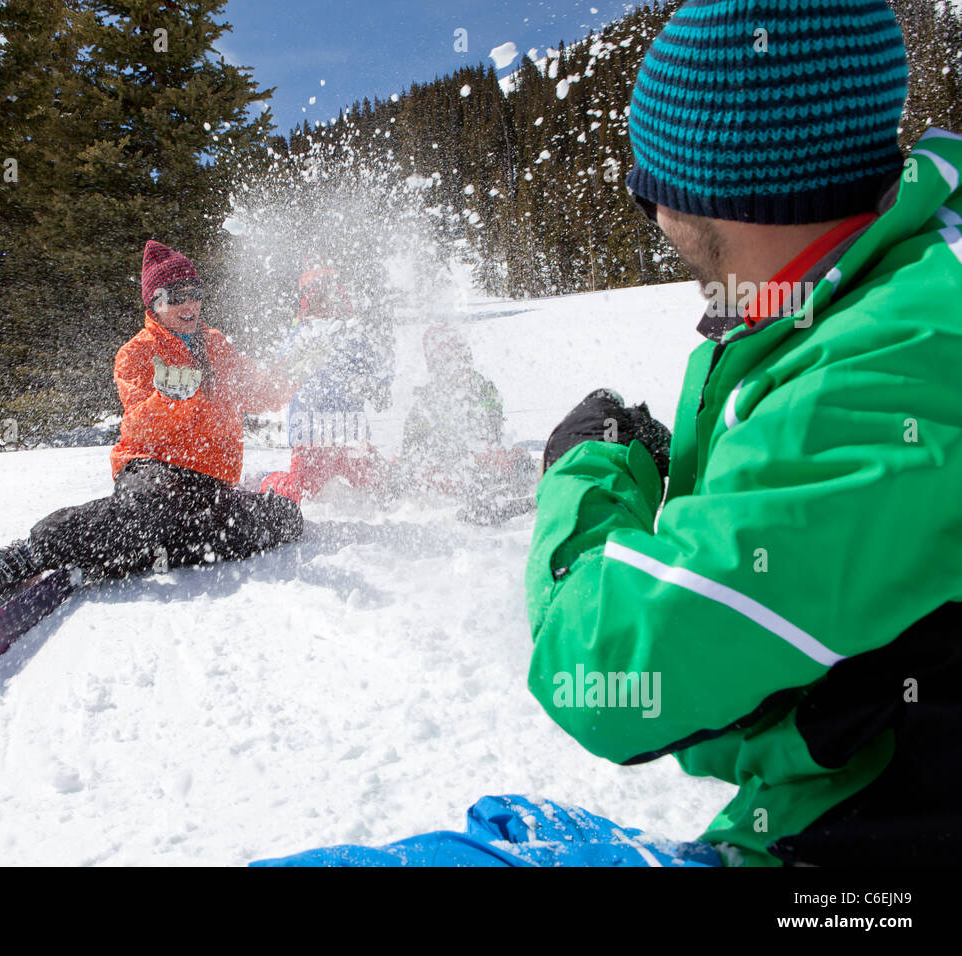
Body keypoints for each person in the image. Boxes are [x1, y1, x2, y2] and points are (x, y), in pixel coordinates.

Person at [256, 0, 962, 866]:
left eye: (653, 188)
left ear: (718, 187)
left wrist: (585, 478)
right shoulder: (896, 290)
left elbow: (609, 680)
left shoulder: (891, 367)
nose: (652, 215)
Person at [0, 240, 304, 608]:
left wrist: (294, 373)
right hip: (154, 469)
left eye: (195, 293)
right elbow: (139, 425)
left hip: (209, 482)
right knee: (145, 514)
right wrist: (169, 399)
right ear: (155, 302)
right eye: (177, 295)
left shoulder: (216, 345)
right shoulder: (136, 353)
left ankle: (149, 549)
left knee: (283, 519)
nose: (190, 305)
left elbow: (262, 393)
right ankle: (31, 553)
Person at [256, 258, 394, 503]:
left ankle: (389, 468)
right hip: (312, 438)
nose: (326, 306)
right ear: (307, 303)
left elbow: (378, 369)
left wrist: (377, 386)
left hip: (352, 434)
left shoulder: (354, 333)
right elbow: (282, 373)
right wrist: (298, 361)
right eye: (318, 300)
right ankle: (269, 480)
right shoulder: (299, 335)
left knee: (379, 485)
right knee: (298, 492)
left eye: (331, 297)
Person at [398, 324, 537, 523]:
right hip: (444, 465)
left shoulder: (482, 388)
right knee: (423, 471)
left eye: (462, 358)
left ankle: (505, 491)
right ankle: (481, 491)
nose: (458, 368)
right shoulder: (426, 400)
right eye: (447, 362)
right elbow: (411, 446)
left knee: (513, 459)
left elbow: (492, 430)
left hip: (477, 460)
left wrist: (484, 441)